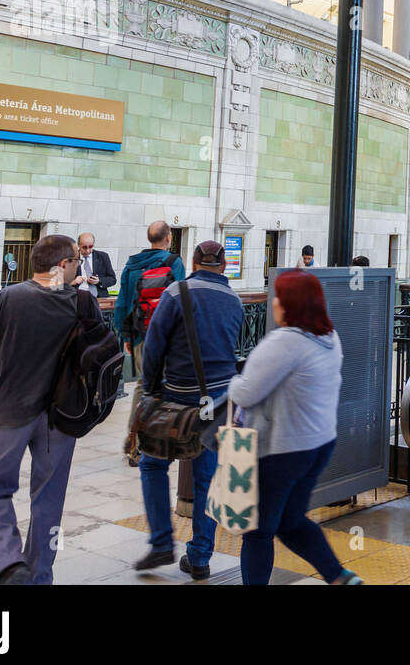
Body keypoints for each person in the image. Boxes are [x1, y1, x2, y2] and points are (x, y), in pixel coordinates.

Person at [0, 234, 104, 584]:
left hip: (7, 412)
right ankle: (39, 576)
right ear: (65, 264)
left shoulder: (7, 298)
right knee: (49, 501)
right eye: (76, 261)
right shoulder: (83, 303)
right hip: (61, 419)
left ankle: (9, 563)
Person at [230, 270, 361, 585]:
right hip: (320, 444)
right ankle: (339, 576)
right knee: (289, 522)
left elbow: (245, 392)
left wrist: (232, 382)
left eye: (278, 297)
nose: (273, 302)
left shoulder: (285, 342)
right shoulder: (329, 337)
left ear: (290, 304)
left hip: (284, 450)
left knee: (258, 530)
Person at [133, 241, 243, 580]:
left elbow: (153, 347)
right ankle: (200, 557)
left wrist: (150, 389)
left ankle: (162, 542)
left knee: (152, 463)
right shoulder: (235, 301)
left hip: (177, 399)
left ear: (194, 262)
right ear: (224, 266)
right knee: (207, 479)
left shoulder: (174, 294)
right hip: (217, 404)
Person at [114, 221, 187, 466]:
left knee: (143, 386)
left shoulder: (131, 265)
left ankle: (134, 444)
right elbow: (181, 300)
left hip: (138, 334)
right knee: (165, 386)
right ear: (168, 238)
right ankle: (158, 442)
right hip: (166, 336)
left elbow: (122, 303)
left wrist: (125, 336)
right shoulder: (173, 262)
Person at [74, 232, 117, 298]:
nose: (88, 251)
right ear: (79, 245)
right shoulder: (72, 258)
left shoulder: (103, 256)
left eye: (90, 247)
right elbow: (59, 284)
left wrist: (99, 281)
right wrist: (74, 281)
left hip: (99, 298)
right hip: (77, 298)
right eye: (84, 247)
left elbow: (112, 279)